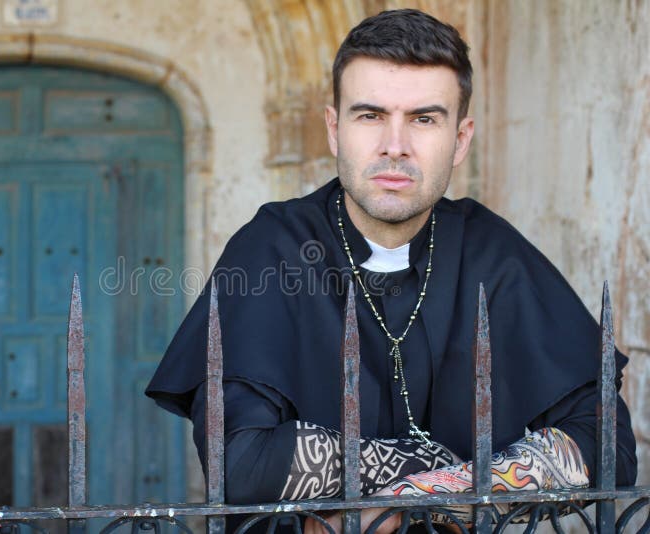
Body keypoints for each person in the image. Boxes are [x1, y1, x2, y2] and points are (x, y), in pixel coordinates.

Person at [146, 8, 637, 533]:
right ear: (334, 128)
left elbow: (607, 447)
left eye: (424, 118)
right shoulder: (272, 247)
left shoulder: (495, 253)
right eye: (370, 115)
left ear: (461, 137)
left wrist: (421, 495)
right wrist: (453, 473)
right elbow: (239, 465)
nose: (395, 145)